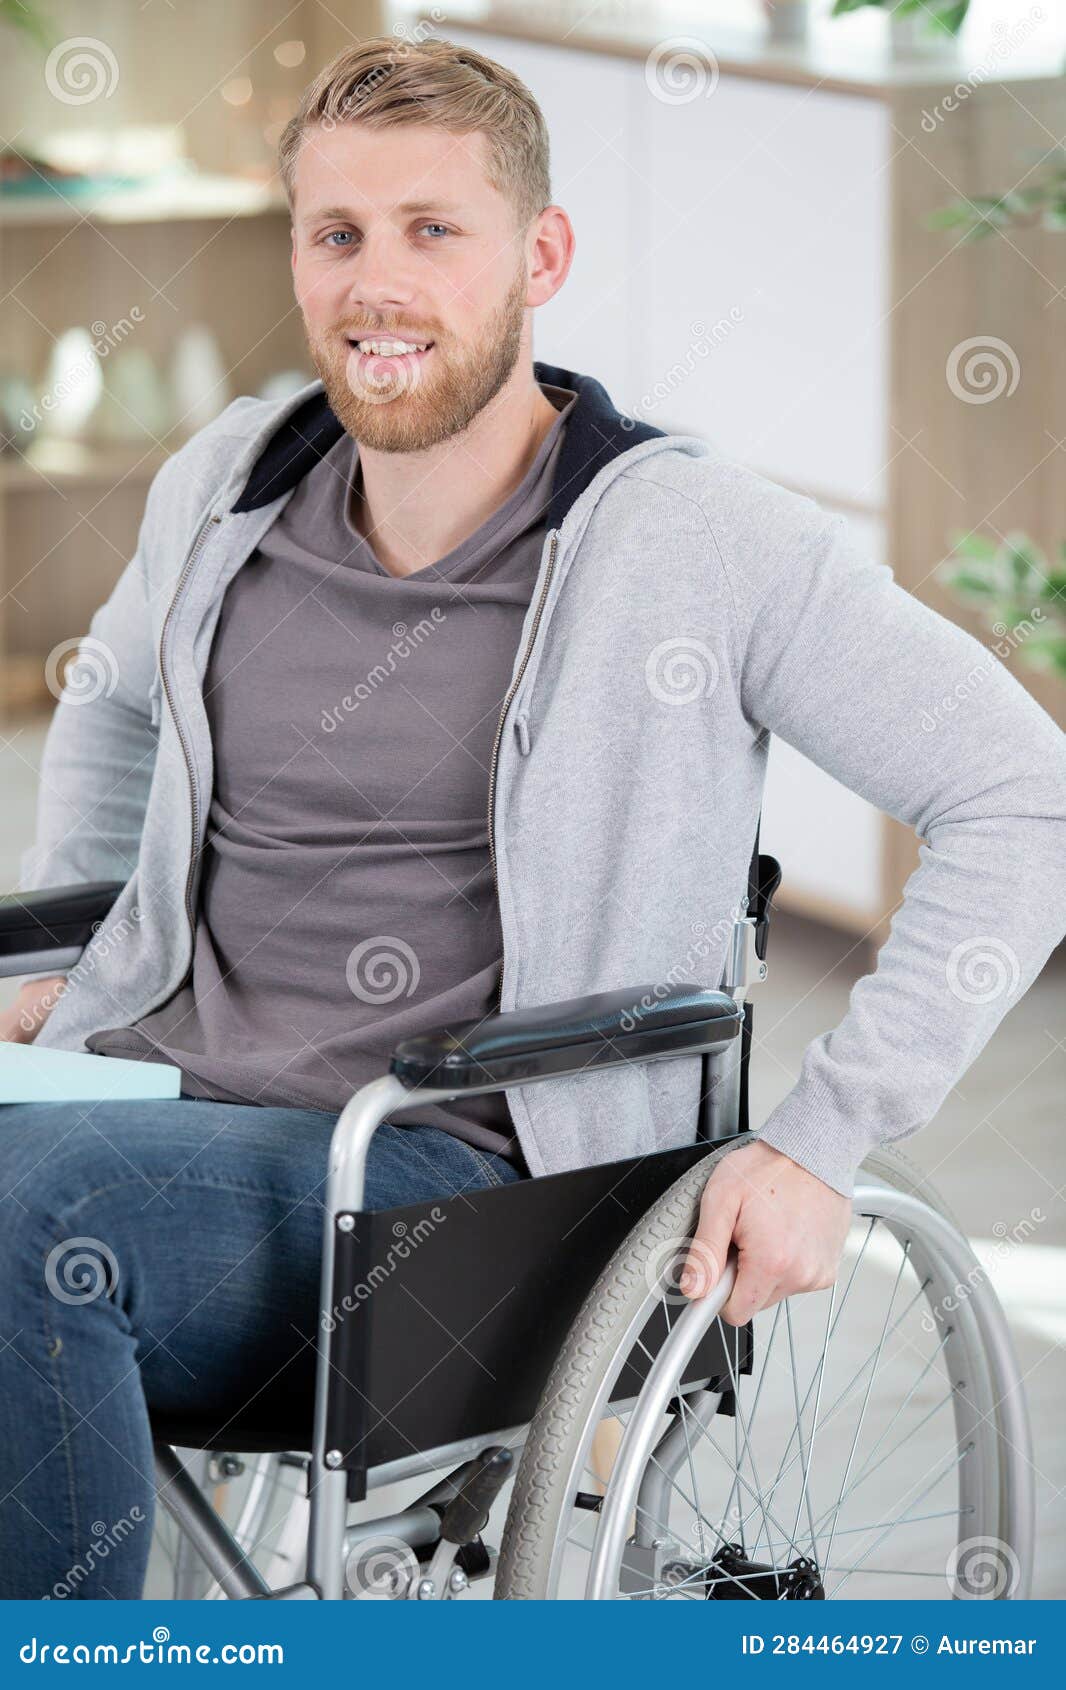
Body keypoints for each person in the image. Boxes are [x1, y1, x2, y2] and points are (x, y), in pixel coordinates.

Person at [2, 36, 1064, 1600]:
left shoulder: (694, 539)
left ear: (540, 257)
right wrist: (73, 952)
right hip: (166, 1102)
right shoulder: (228, 482)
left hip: (454, 1185)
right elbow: (110, 701)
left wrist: (820, 1141)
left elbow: (1021, 795)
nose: (376, 283)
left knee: (31, 1212)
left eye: (433, 230)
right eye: (337, 232)